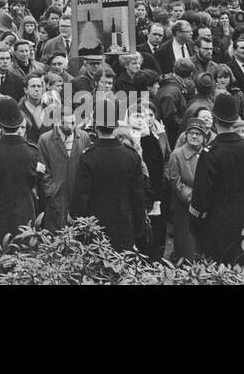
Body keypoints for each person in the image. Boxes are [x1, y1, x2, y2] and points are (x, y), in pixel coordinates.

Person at [190, 92, 244, 266]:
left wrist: (195, 224)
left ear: (215, 120)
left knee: (219, 269)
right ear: (235, 119)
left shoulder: (210, 153)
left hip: (216, 223)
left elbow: (201, 195)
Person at [70, 97, 147, 251]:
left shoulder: (88, 156)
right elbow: (138, 196)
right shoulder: (131, 156)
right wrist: (139, 228)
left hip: (95, 229)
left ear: (95, 124)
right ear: (116, 123)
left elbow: (79, 198)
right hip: (124, 226)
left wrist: (77, 228)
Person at [0, 95, 41, 244]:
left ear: (0, 125)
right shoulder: (31, 152)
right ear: (19, 124)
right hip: (23, 211)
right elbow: (35, 181)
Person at [37, 110, 93, 232]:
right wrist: (51, 191)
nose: (69, 126)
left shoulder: (84, 137)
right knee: (54, 237)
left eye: (72, 122)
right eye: (64, 123)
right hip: (55, 198)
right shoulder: (45, 140)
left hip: (77, 197)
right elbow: (43, 170)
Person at [164, 121, 208, 261]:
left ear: (204, 138)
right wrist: (192, 199)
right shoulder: (177, 155)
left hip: (205, 205)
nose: (194, 136)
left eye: (198, 134)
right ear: (186, 135)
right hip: (184, 205)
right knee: (186, 243)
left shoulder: (208, 154)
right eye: (191, 133)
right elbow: (175, 181)